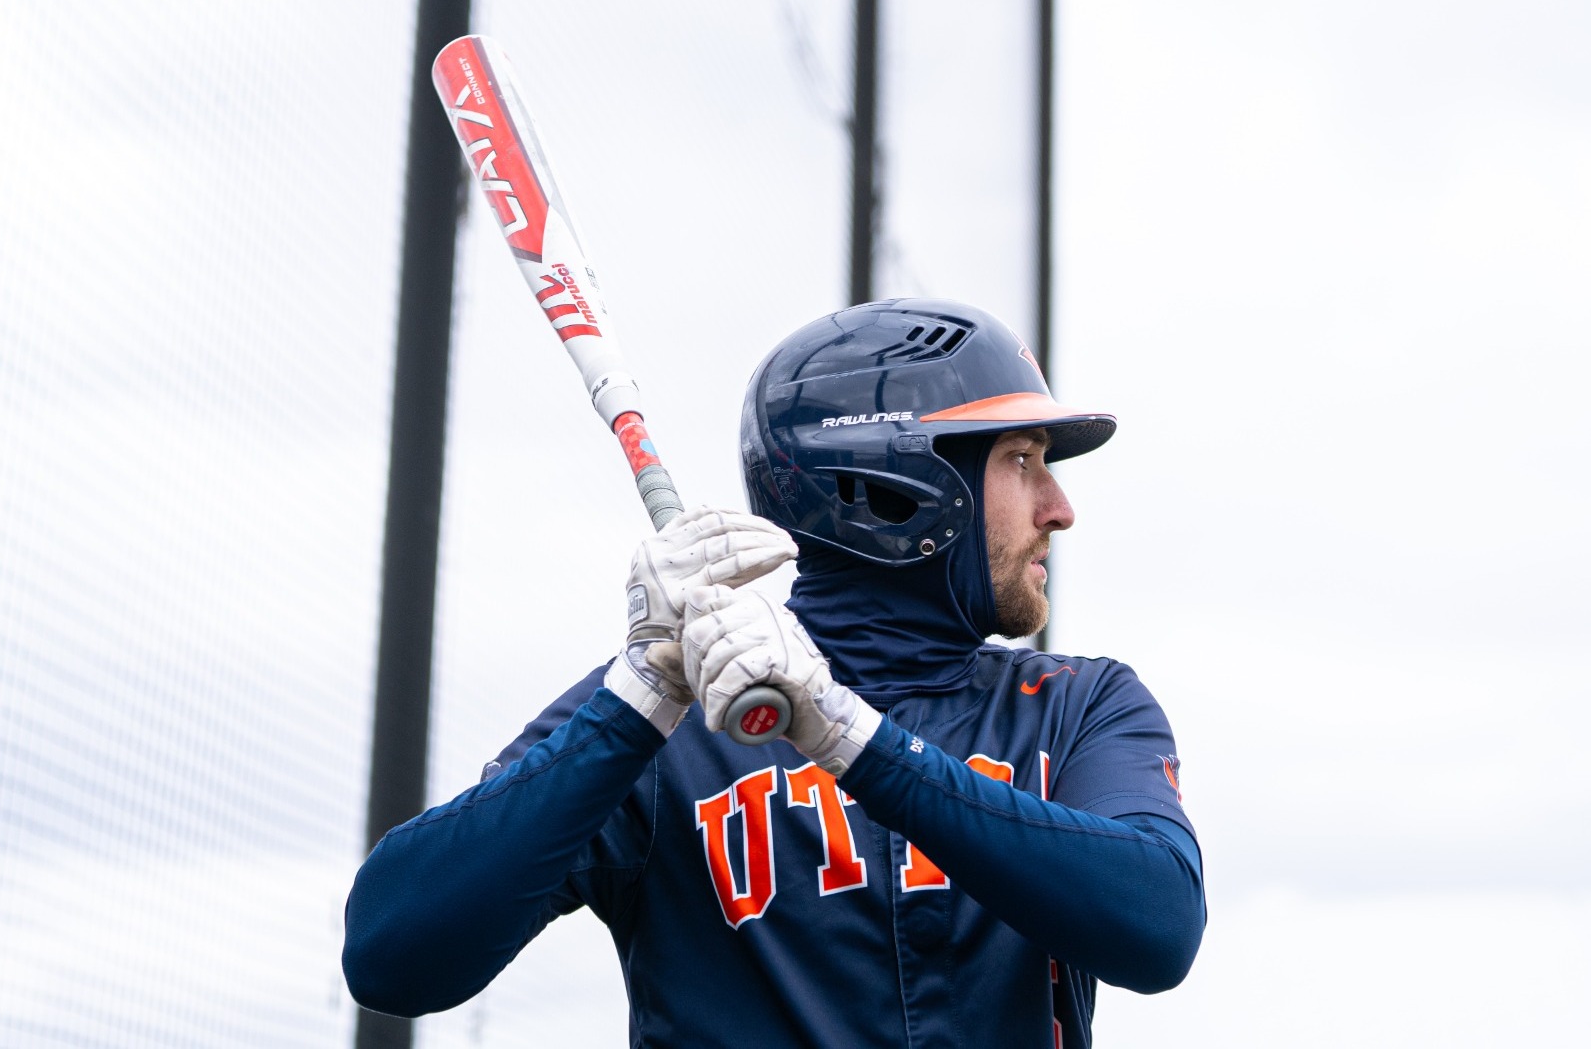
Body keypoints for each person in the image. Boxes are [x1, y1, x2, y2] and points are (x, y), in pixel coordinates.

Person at [342, 298, 1205, 1048]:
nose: (1059, 507)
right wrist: (634, 701)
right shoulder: (668, 710)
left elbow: (1156, 926)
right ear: (896, 484)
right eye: (1021, 460)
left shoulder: (1079, 708)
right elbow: (392, 955)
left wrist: (845, 735)